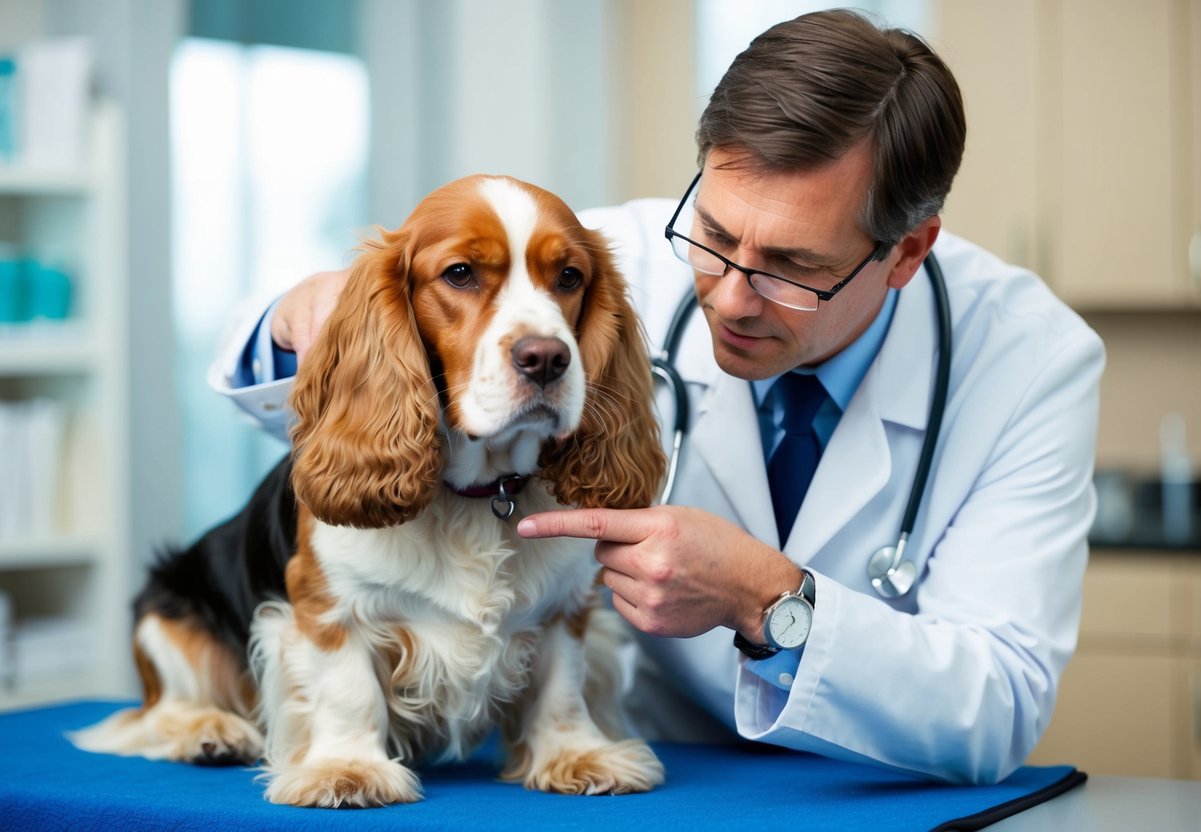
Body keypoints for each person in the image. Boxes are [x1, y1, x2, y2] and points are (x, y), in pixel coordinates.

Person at [209, 9, 1104, 784]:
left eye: (794, 268)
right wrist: (297, 314)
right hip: (655, 776)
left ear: (907, 252)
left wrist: (768, 599)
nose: (729, 294)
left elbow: (999, 705)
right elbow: (318, 376)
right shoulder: (597, 265)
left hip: (877, 787)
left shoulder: (1030, 362)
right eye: (713, 234)